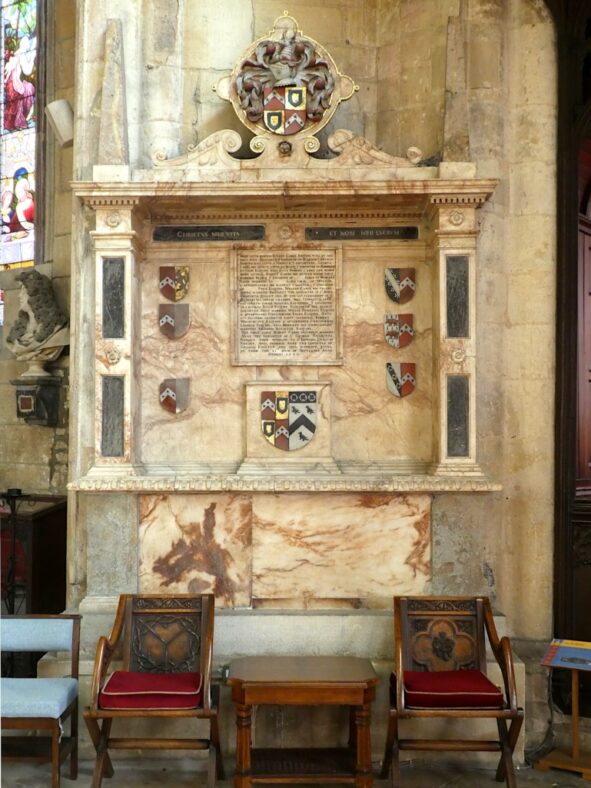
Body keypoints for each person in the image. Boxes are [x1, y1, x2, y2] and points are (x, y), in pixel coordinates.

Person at [3, 35, 37, 132]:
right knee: (29, 88)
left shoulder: (16, 54)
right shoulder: (21, 54)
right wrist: (33, 53)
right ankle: (20, 119)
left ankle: (15, 120)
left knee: (28, 87)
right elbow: (27, 70)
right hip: (15, 85)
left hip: (11, 85)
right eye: (26, 44)